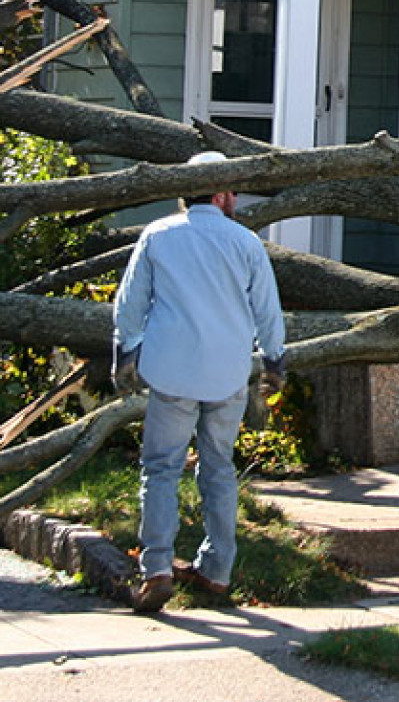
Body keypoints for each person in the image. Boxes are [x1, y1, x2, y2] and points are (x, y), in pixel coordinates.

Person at [112, 150, 285, 613]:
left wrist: (124, 353)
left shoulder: (158, 235)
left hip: (172, 369)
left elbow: (131, 302)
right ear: (222, 193)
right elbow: (267, 308)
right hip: (227, 371)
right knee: (218, 467)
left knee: (161, 468)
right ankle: (218, 570)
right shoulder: (244, 242)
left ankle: (158, 569)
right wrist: (274, 360)